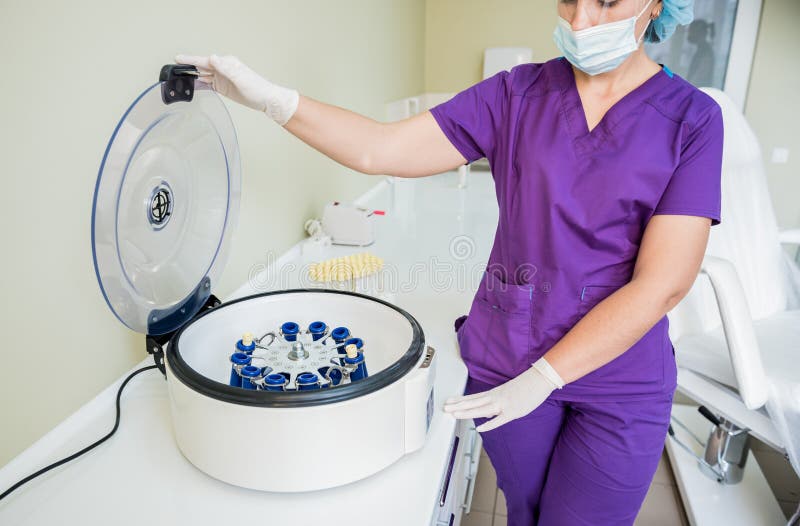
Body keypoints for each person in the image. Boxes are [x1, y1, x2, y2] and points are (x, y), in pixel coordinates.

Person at [177, 0, 717, 523]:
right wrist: (270, 99)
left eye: (605, 2)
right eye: (569, 0)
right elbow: (379, 149)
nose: (580, 20)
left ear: (656, 5)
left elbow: (662, 285)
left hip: (617, 375)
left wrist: (547, 375)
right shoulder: (518, 94)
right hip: (511, 352)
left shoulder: (693, 121)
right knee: (526, 513)